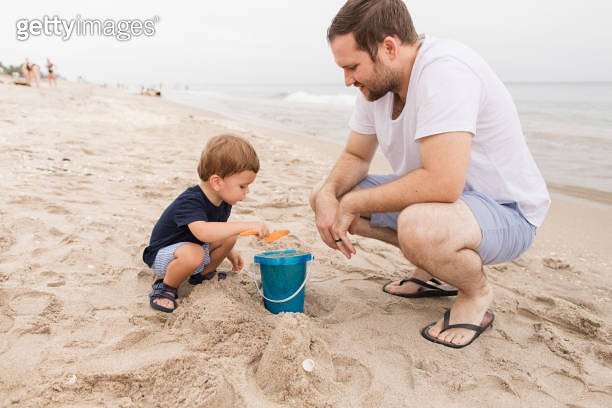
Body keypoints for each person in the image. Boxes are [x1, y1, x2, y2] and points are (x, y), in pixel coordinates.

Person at [310, 0, 550, 348]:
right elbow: (356, 154)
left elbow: (443, 183)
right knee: (323, 195)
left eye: (352, 67)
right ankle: (436, 269)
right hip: (445, 207)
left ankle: (474, 293)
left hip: (507, 212)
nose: (347, 80)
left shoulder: (445, 70)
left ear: (389, 47)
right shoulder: (376, 84)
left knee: (418, 226)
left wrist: (355, 201)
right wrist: (330, 196)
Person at [143, 134, 270, 313]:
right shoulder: (190, 201)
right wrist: (246, 225)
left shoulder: (223, 201)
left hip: (191, 248)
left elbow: (216, 230)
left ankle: (202, 276)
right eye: (242, 186)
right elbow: (203, 232)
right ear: (217, 182)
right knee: (194, 253)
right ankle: (166, 287)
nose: (247, 191)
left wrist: (229, 252)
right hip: (164, 255)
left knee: (228, 236)